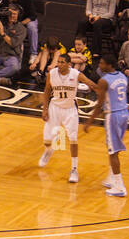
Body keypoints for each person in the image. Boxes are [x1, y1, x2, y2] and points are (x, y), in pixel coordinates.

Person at [39, 47, 100, 184]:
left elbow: (91, 84)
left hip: (70, 109)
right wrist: (45, 109)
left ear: (69, 64)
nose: (59, 64)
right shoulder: (52, 73)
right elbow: (47, 90)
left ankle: (74, 169)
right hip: (54, 107)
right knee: (47, 141)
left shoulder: (76, 74)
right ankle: (48, 152)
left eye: (62, 62)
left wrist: (102, 92)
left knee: (73, 139)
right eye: (58, 62)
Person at [95, 55, 129, 197]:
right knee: (114, 148)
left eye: (102, 62)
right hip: (124, 113)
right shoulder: (122, 76)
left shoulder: (104, 81)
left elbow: (99, 104)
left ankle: (119, 186)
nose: (100, 65)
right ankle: (111, 178)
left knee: (112, 151)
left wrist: (89, 122)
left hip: (113, 115)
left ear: (109, 65)